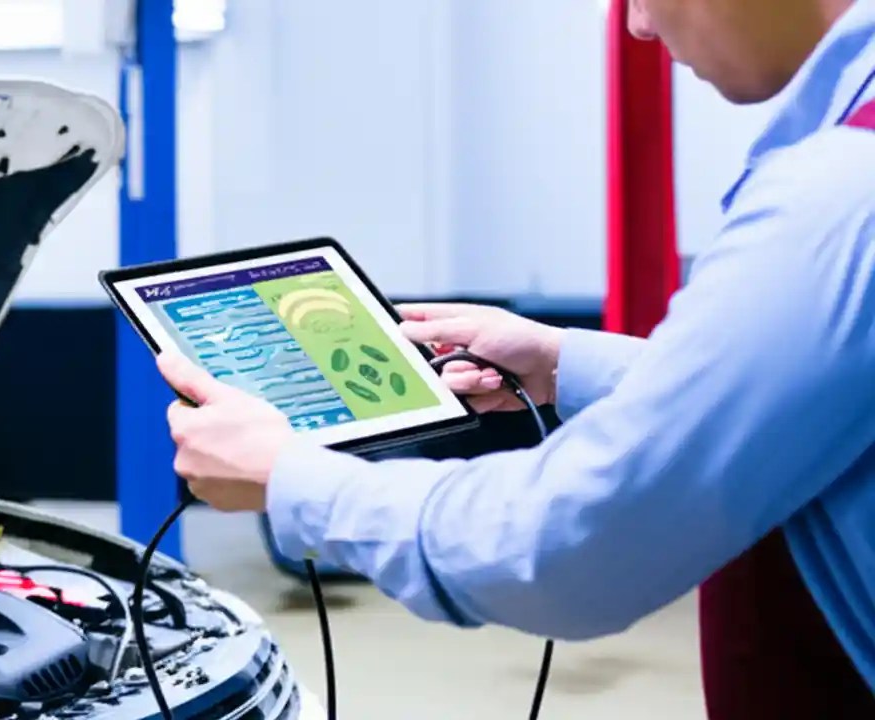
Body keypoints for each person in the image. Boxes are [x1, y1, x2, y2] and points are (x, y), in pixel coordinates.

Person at [156, 0, 875, 716]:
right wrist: (564, 361)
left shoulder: (838, 193)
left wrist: (289, 477)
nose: (640, 28)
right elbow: (811, 402)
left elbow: (566, 547)